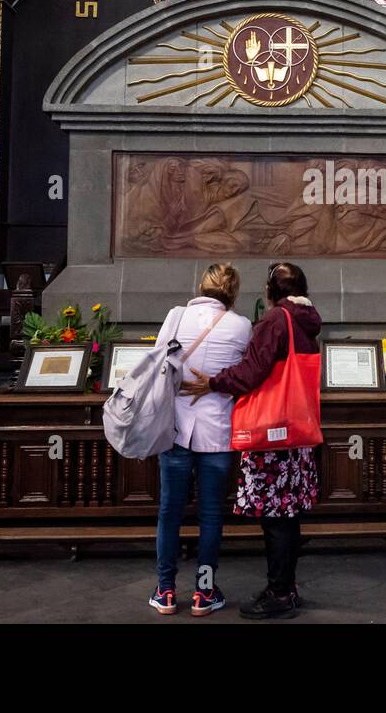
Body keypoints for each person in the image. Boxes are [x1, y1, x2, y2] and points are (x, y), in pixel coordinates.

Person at [180, 261, 320, 619]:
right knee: (286, 513)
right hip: (294, 429)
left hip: (272, 432)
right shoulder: (306, 319)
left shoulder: (276, 320)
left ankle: (279, 592)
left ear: (272, 291)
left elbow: (252, 371)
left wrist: (213, 381)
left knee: (275, 516)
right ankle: (287, 586)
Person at [146, 263, 252, 617]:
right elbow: (243, 376)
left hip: (174, 428)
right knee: (210, 515)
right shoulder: (241, 326)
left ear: (201, 286)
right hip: (217, 433)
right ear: (233, 292)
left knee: (169, 512)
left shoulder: (175, 317)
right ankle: (204, 592)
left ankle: (165, 590)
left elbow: (158, 365)